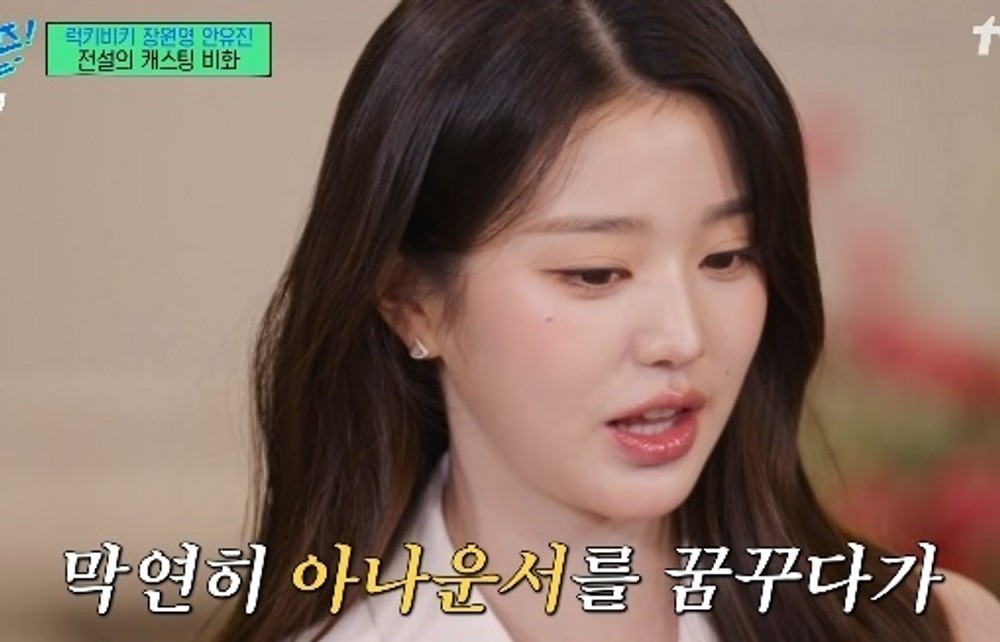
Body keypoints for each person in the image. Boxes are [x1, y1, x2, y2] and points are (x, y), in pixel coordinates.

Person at [211, 1, 1000, 640]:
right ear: (411, 301)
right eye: (596, 273)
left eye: (728, 256)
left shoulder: (938, 627)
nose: (683, 338)